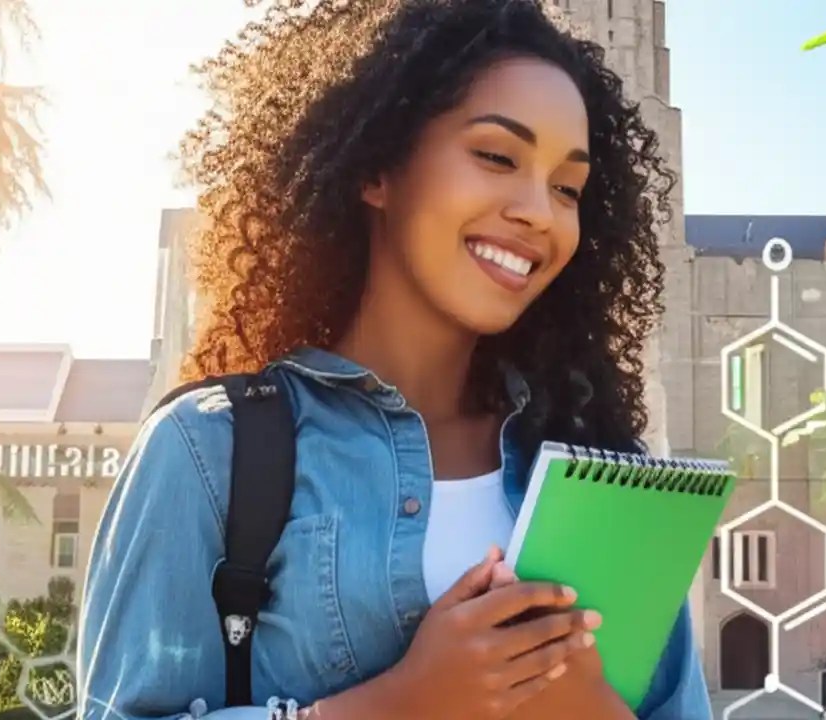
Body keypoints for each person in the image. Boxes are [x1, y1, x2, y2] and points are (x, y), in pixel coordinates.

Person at [77, 0, 712, 718]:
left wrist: (588, 708)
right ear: (377, 166)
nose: (539, 211)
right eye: (498, 157)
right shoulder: (208, 451)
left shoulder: (603, 473)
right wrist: (402, 703)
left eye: (567, 188)